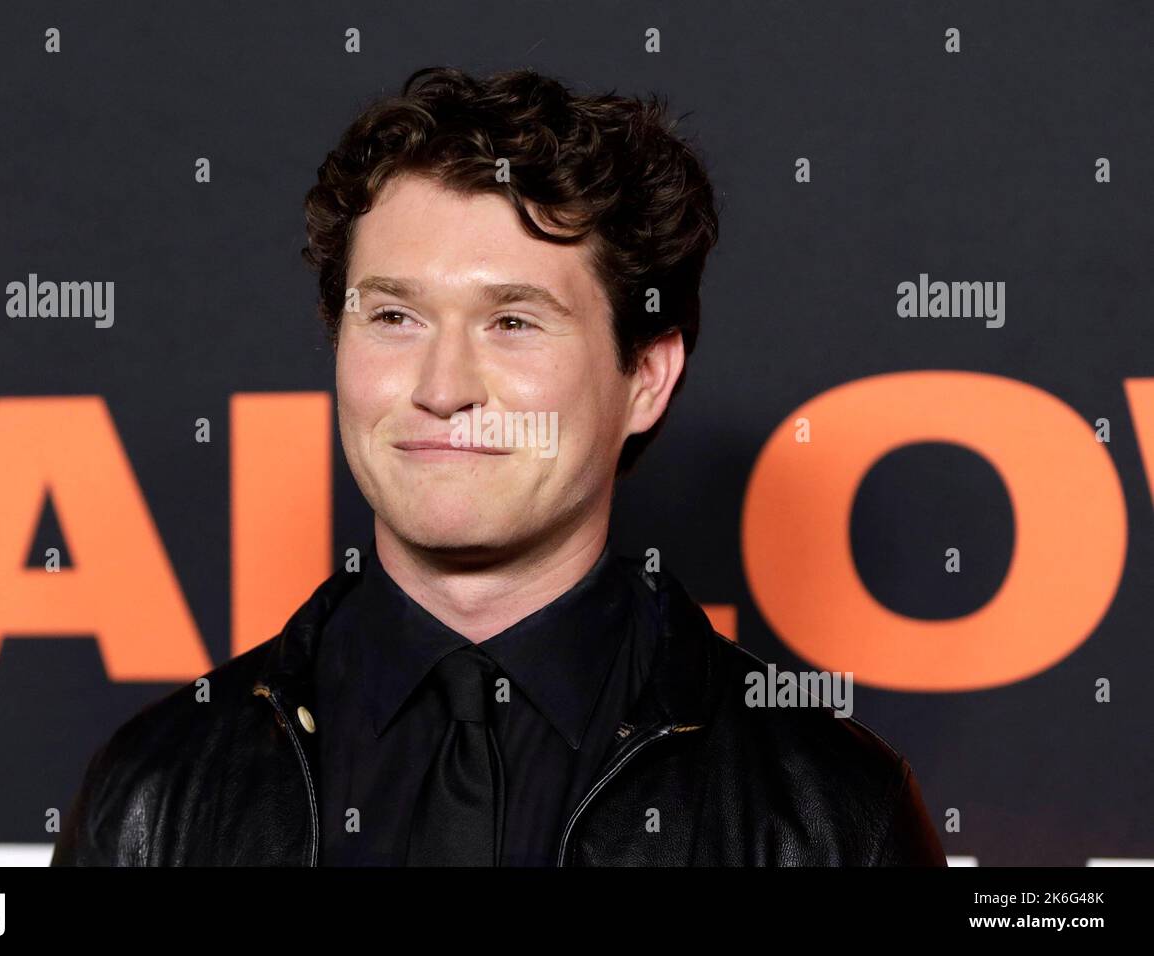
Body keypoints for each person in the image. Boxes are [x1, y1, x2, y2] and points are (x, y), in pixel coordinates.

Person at [51, 65, 947, 867]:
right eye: (394, 318)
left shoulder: (833, 819)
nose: (441, 388)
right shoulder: (154, 796)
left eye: (512, 322)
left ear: (645, 376)